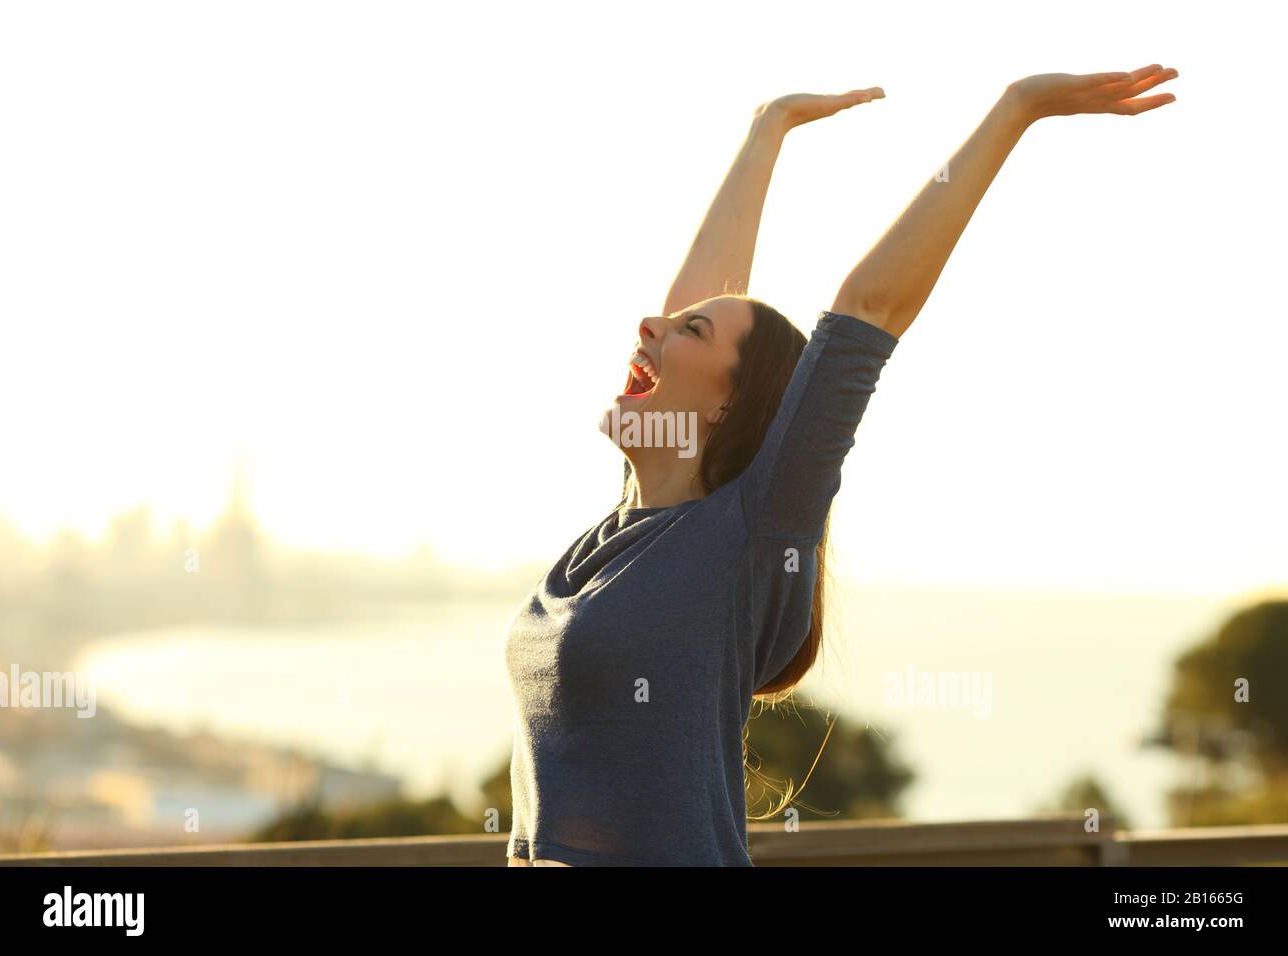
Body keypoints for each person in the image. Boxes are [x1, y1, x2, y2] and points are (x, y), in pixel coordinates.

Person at [504, 65, 1178, 867]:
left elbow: (871, 308)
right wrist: (766, 133)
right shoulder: (618, 535)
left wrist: (1015, 109)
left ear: (725, 407)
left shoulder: (746, 531)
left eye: (687, 333)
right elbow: (707, 299)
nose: (650, 324)